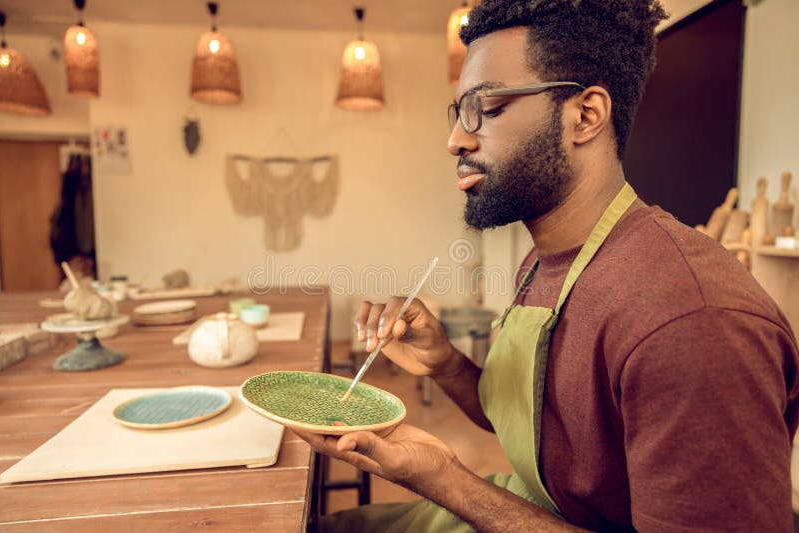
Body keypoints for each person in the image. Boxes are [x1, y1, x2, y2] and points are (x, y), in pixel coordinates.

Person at [297, 1, 799, 531]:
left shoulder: (691, 321)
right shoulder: (544, 261)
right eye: (458, 113)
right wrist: (445, 363)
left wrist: (446, 478)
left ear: (584, 116)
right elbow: (541, 434)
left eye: (485, 108)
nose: (456, 141)